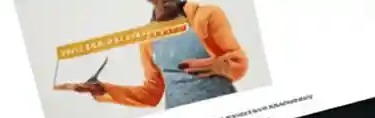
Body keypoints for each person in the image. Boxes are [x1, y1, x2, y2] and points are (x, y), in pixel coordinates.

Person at [69, 0, 248, 109]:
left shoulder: (207, 15)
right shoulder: (147, 38)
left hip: (226, 112)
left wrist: (220, 66)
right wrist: (105, 89)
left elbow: (238, 62)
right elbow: (151, 94)